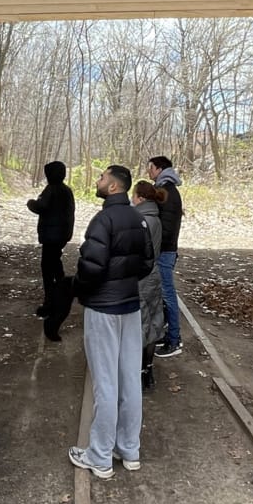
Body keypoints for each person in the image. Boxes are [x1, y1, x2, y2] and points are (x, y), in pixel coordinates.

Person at [68, 165, 154, 480]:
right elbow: (147, 262)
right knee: (130, 380)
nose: (98, 181)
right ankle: (129, 450)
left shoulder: (103, 220)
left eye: (102, 177)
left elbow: (91, 266)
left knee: (105, 383)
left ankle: (99, 456)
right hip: (130, 307)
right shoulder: (139, 218)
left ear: (114, 186)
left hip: (103, 308)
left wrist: (78, 288)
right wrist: (124, 281)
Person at [146, 156, 185, 358]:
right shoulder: (166, 189)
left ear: (160, 169)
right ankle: (166, 334)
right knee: (163, 295)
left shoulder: (167, 191)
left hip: (165, 252)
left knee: (168, 295)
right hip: (165, 250)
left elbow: (167, 228)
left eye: (150, 168)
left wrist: (156, 247)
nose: (148, 171)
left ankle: (174, 339)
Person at [26, 161, 75, 318]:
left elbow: (41, 207)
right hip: (62, 236)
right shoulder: (67, 191)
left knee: (48, 270)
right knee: (56, 265)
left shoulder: (51, 189)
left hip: (50, 237)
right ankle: (62, 292)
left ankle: (51, 303)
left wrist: (30, 203)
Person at [131, 181, 167, 393]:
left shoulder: (141, 220)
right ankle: (148, 370)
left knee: (141, 324)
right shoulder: (156, 218)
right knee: (153, 321)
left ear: (141, 198)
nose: (132, 200)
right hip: (153, 274)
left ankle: (141, 372)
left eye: (134, 196)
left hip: (142, 276)